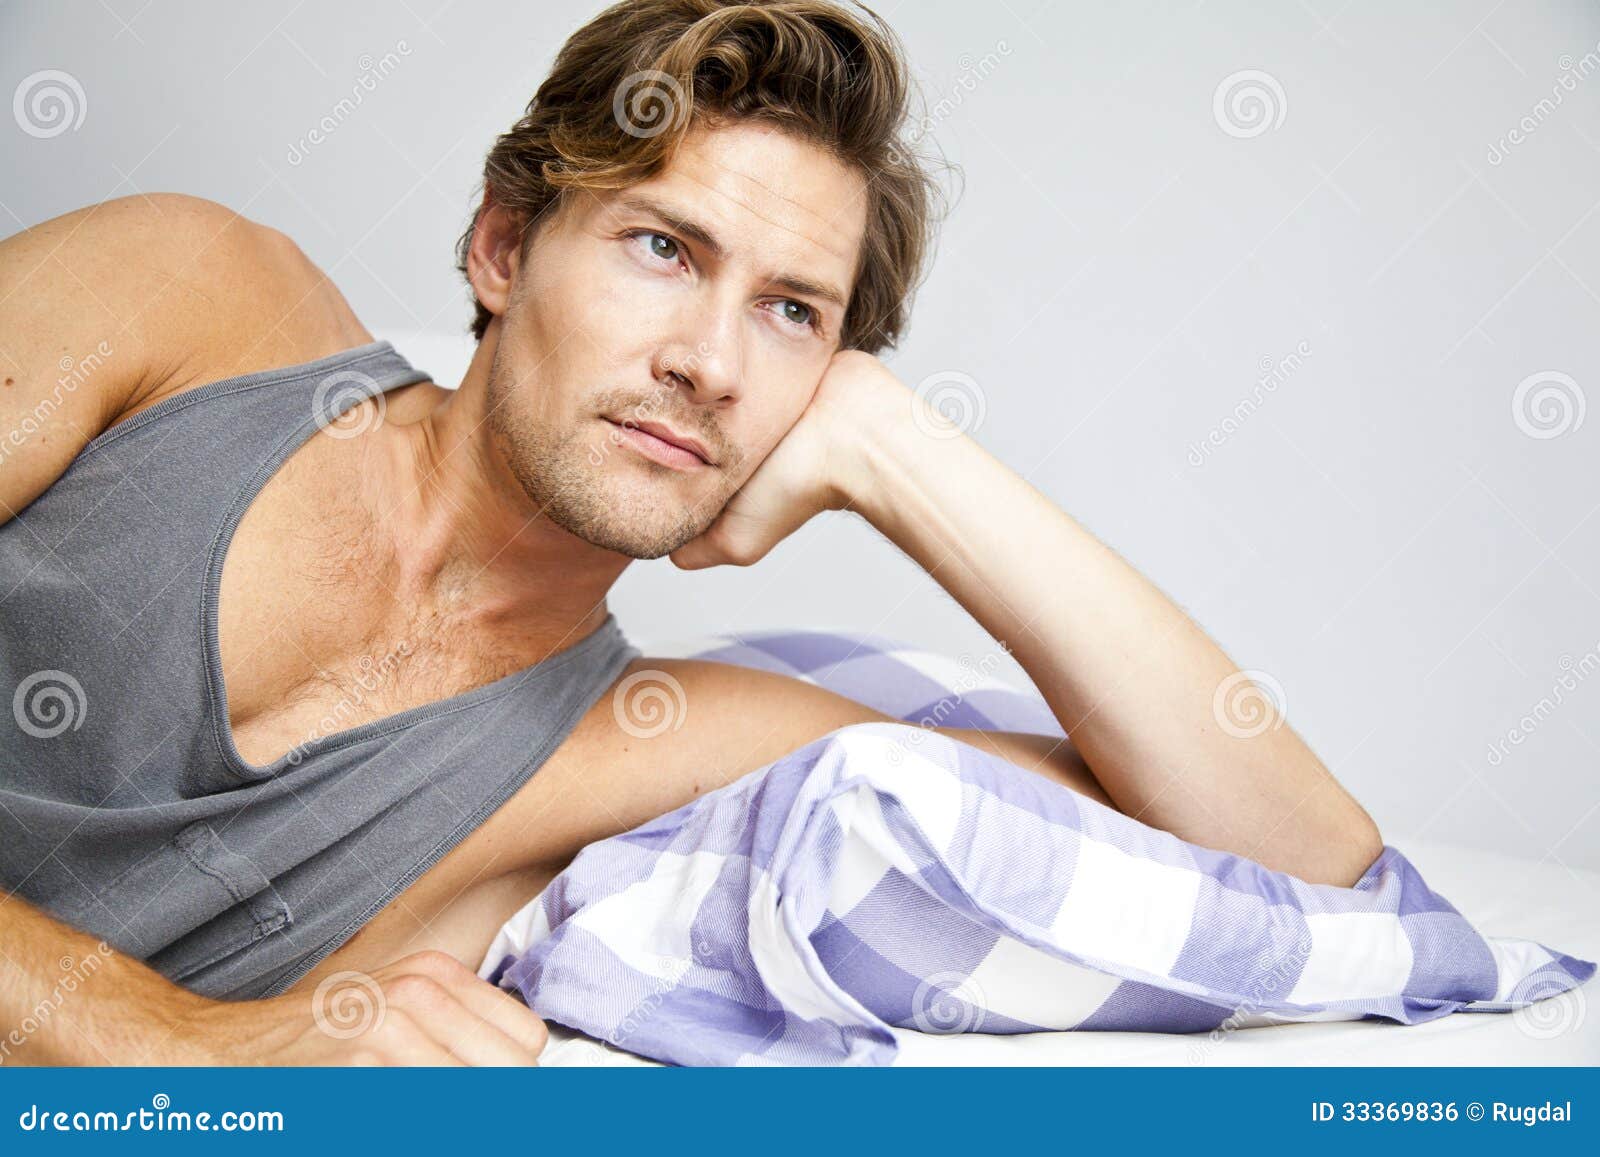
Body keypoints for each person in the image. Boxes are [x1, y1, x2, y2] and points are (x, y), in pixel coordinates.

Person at [0, 0, 1380, 1066]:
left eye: (795, 313)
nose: (713, 363)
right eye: (665, 247)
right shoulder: (189, 300)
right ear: (501, 245)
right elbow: (168, 1054)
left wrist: (901, 452)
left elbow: (1296, 864)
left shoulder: (646, 745)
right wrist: (165, 1039)